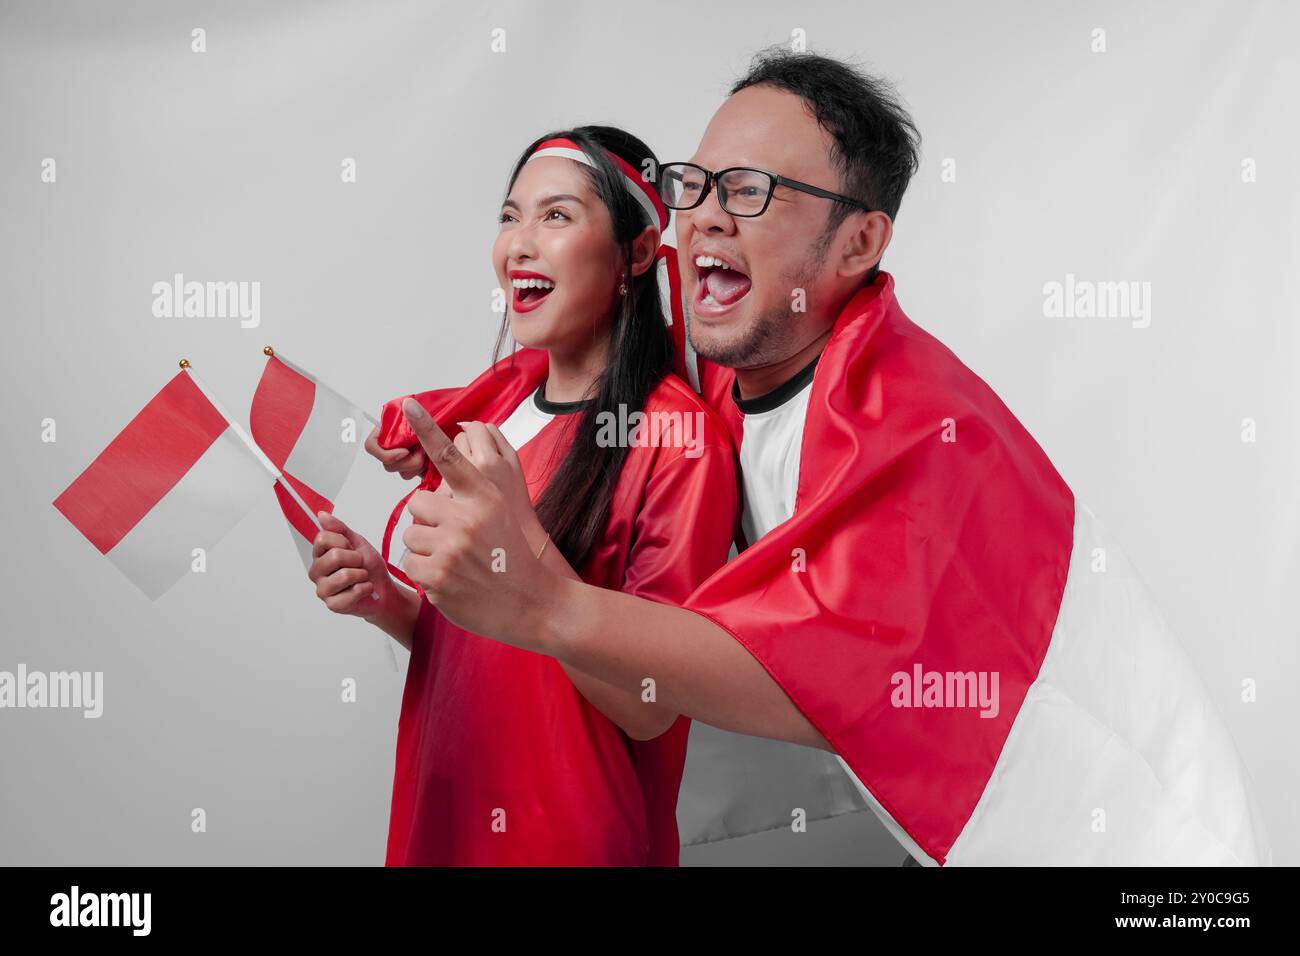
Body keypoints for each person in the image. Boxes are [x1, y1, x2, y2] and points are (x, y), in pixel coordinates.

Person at [371, 49, 1270, 866]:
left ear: (861, 244)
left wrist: (545, 600)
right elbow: (583, 347)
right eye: (699, 185)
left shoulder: (911, 427)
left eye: (754, 191)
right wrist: (424, 424)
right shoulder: (749, 342)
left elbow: (809, 681)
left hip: (1146, 849)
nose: (711, 220)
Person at [310, 126, 738, 866]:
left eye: (557, 216)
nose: (520, 244)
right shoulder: (493, 414)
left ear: (636, 253)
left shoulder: (676, 438)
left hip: (569, 835)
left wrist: (522, 545)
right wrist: (388, 599)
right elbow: (491, 642)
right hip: (445, 802)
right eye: (510, 216)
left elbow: (650, 703)